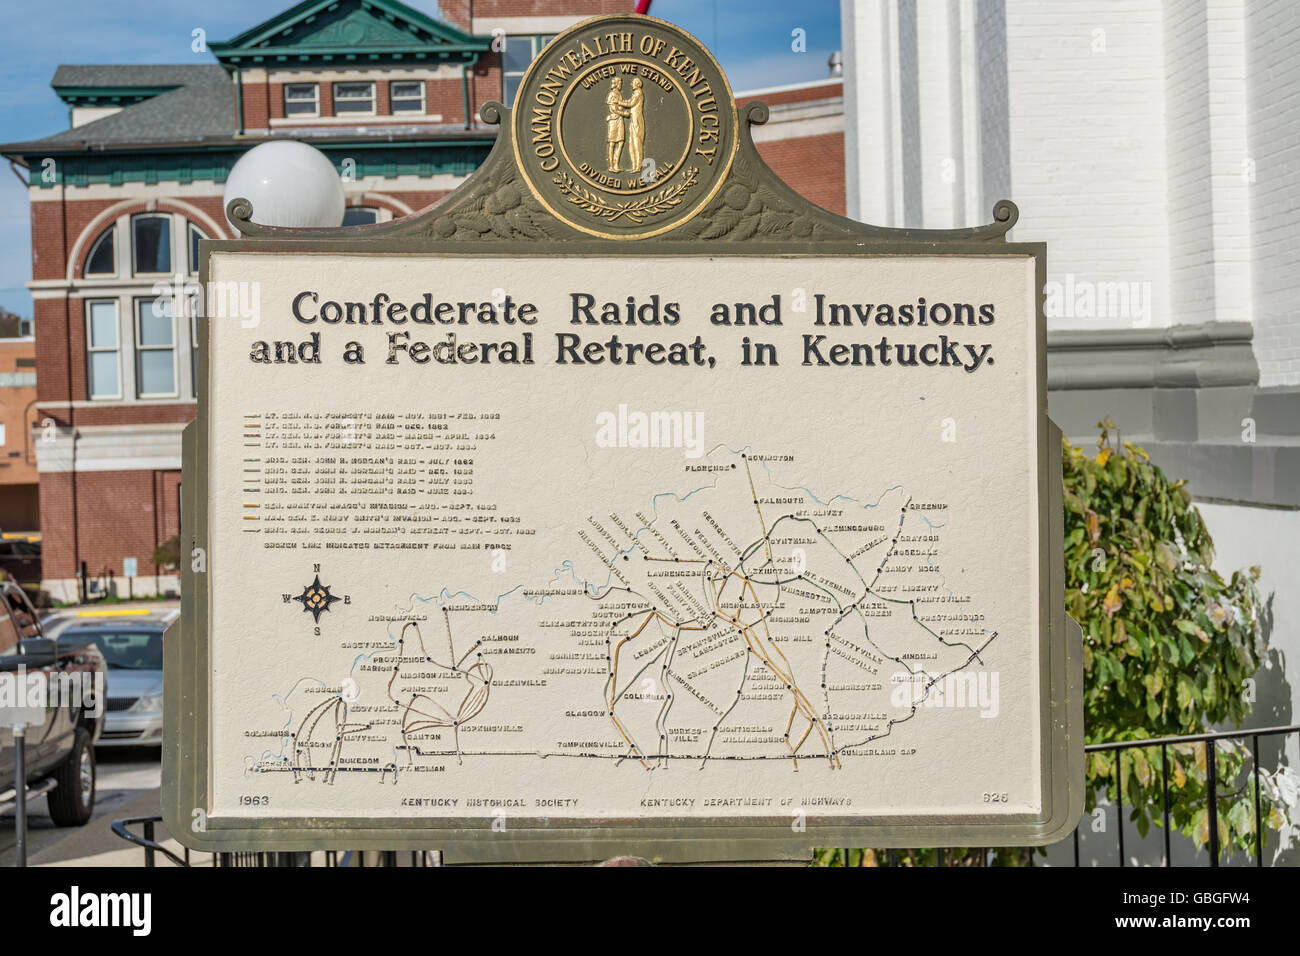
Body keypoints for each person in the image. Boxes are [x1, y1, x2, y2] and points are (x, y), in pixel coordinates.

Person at [624, 78, 646, 173]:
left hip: (637, 120)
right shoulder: (635, 93)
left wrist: (618, 102)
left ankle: (638, 167)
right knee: (631, 143)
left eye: (632, 82)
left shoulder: (638, 93)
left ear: (637, 84)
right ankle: (634, 166)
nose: (631, 83)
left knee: (637, 143)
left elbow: (631, 103)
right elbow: (629, 101)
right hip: (633, 120)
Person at [606, 77, 628, 172]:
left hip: (619, 119)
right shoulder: (612, 94)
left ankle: (616, 165)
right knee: (612, 143)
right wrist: (623, 113)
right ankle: (611, 166)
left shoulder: (618, 94)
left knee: (621, 142)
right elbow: (613, 108)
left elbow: (619, 105)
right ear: (617, 84)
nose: (621, 85)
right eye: (620, 83)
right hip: (614, 119)